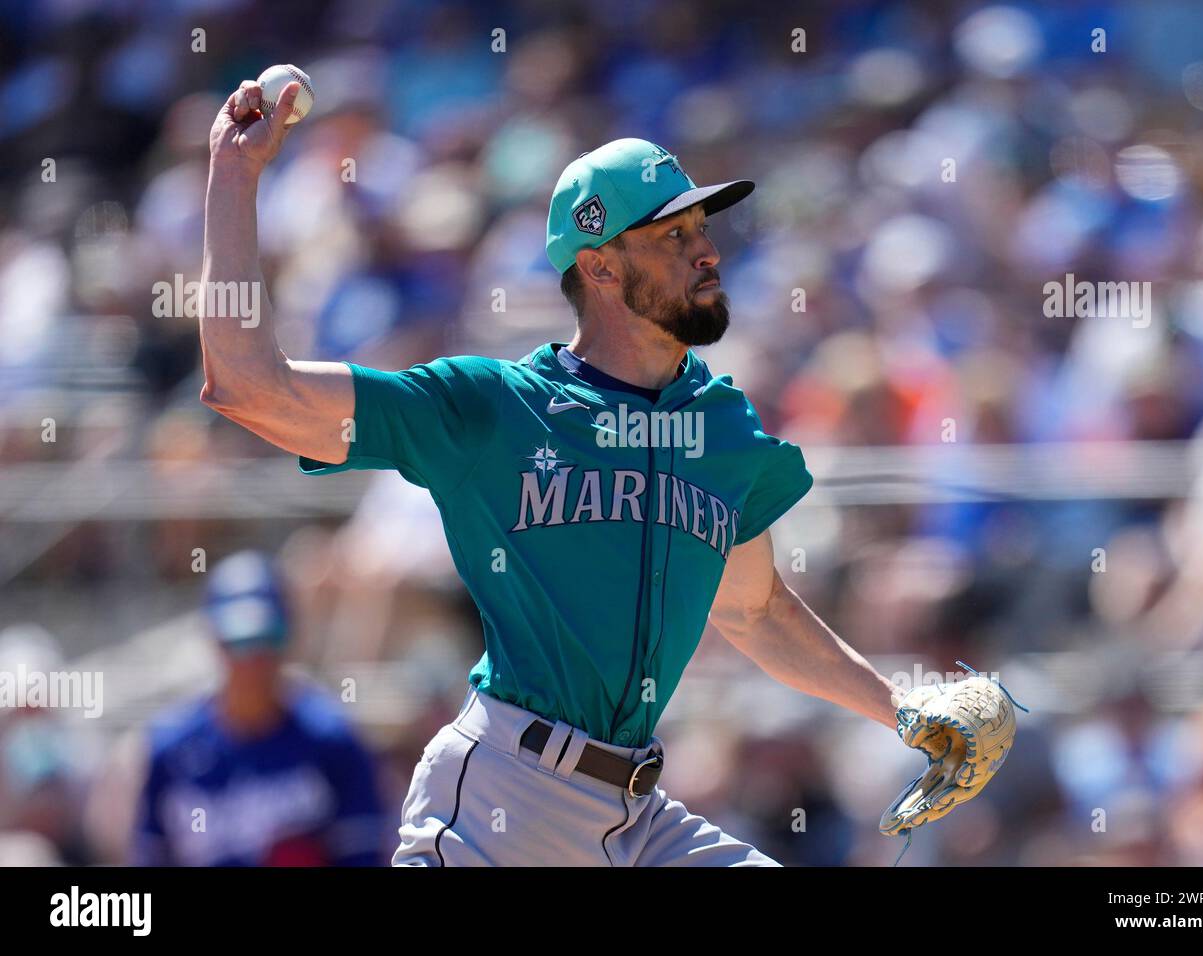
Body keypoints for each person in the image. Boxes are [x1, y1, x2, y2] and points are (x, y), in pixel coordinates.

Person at [199, 79, 923, 867]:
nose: (706, 249)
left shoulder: (720, 426)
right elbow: (248, 385)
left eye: (699, 227)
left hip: (637, 818)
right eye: (671, 236)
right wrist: (234, 176)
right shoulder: (491, 408)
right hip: (503, 804)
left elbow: (755, 613)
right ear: (602, 268)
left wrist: (904, 710)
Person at [132, 551, 385, 866]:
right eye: (238, 641)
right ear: (215, 641)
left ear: (288, 637)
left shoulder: (331, 740)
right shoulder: (171, 750)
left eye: (267, 639)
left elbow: (362, 857)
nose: (252, 659)